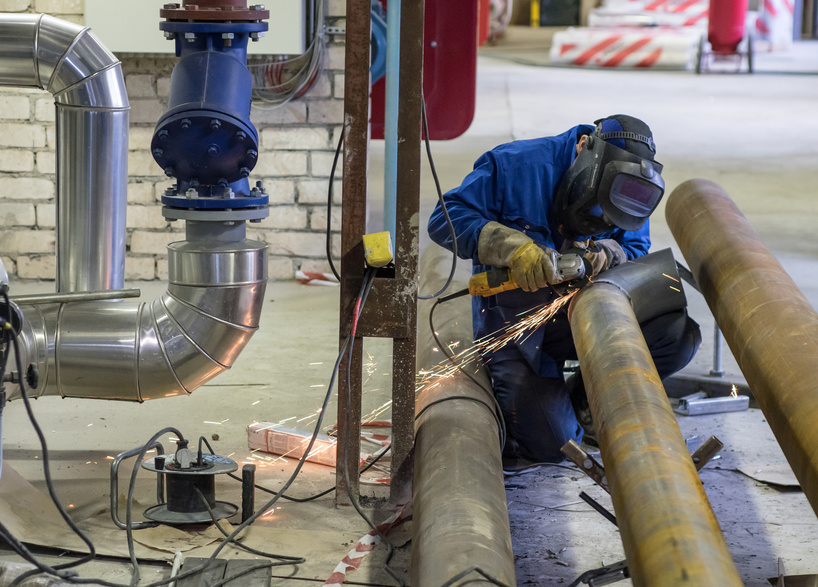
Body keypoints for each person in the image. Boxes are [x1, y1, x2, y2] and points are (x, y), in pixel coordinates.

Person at [427, 114, 701, 469]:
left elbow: (635, 245)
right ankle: (543, 407)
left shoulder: (633, 186)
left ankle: (585, 400)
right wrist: (513, 247)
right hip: (518, 325)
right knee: (553, 445)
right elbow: (444, 218)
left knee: (678, 335)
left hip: (585, 313)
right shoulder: (517, 165)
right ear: (584, 150)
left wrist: (609, 253)